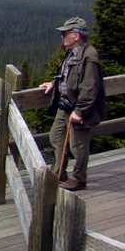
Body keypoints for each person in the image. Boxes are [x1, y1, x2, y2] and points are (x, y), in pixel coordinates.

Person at [40, 17, 106, 191]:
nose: (62, 37)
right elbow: (70, 76)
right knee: (56, 136)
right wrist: (54, 83)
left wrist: (80, 111)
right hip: (66, 106)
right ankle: (59, 173)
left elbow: (90, 86)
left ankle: (78, 179)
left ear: (76, 36)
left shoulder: (89, 56)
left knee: (78, 145)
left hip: (79, 109)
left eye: (65, 34)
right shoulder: (73, 52)